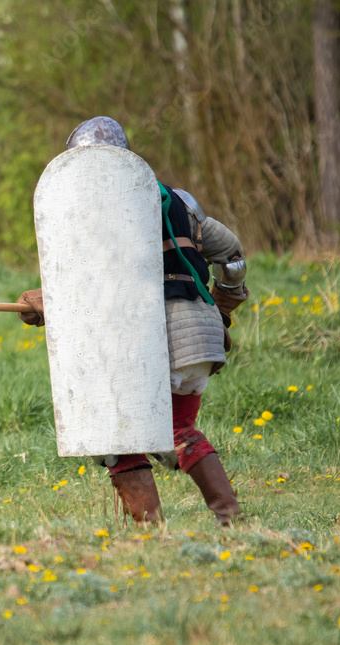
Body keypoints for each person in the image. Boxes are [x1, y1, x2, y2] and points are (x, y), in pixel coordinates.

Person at [17, 116, 248, 527]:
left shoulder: (101, 214)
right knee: (180, 430)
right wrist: (222, 306)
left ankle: (149, 532)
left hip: (157, 337)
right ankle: (230, 520)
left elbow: (92, 281)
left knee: (115, 438)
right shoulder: (178, 201)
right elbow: (232, 256)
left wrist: (48, 300)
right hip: (201, 333)